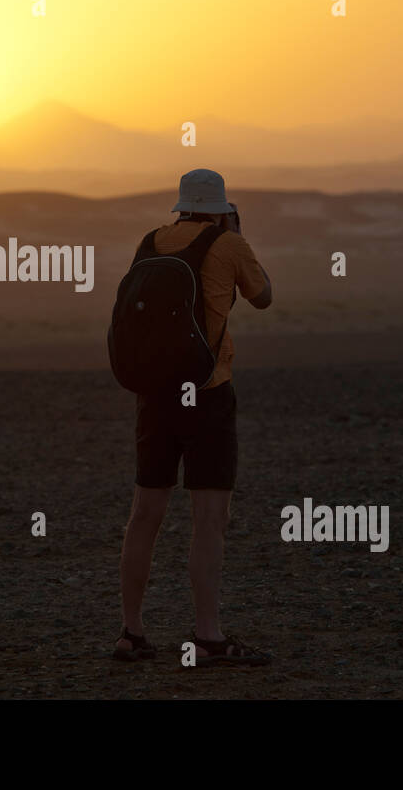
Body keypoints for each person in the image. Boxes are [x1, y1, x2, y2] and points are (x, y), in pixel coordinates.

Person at [115, 168, 274, 665]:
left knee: (145, 514)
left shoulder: (151, 241)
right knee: (209, 517)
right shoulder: (227, 244)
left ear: (182, 205)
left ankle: (131, 633)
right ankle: (207, 636)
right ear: (222, 208)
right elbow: (263, 296)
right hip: (206, 392)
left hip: (155, 393)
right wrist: (238, 239)